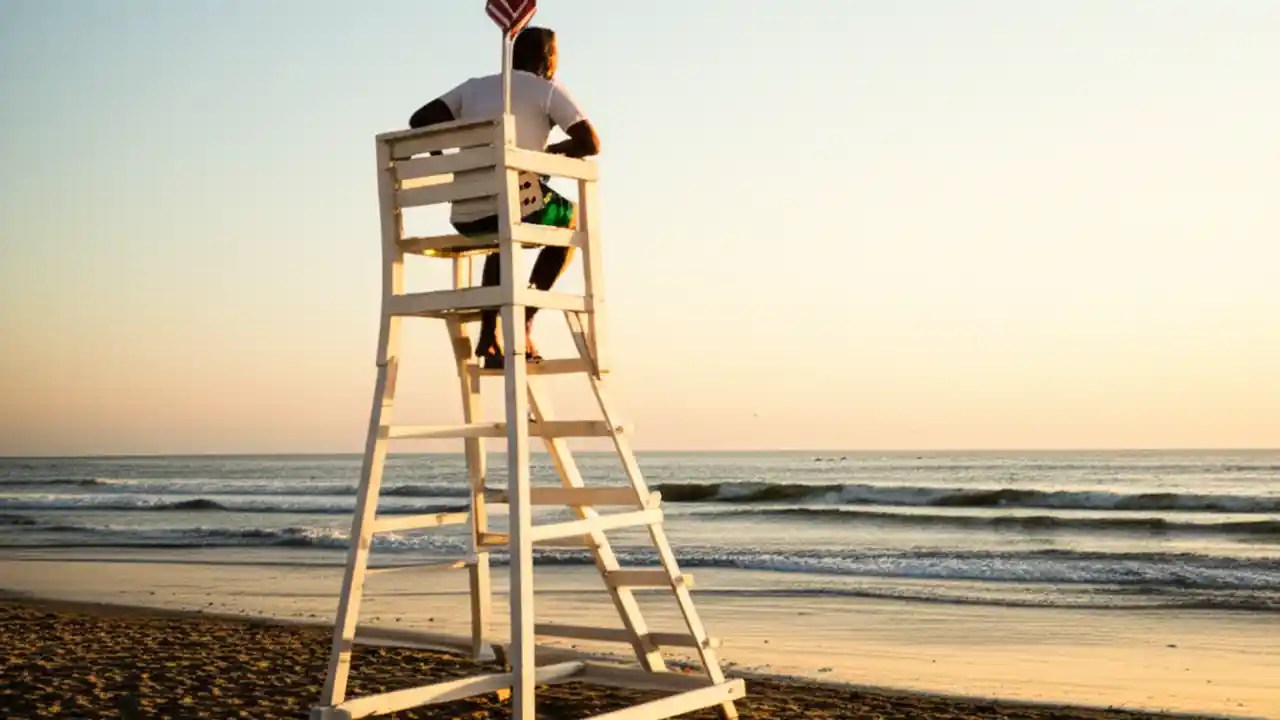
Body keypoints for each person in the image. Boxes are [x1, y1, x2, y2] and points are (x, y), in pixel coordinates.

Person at [408, 26, 600, 369]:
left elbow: (419, 119)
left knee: (503, 232)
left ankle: (489, 336)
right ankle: (526, 315)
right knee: (570, 220)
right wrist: (552, 152)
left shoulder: (473, 88)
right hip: (517, 205)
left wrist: (442, 156)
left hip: (466, 213)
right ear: (547, 60)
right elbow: (590, 143)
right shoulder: (547, 88)